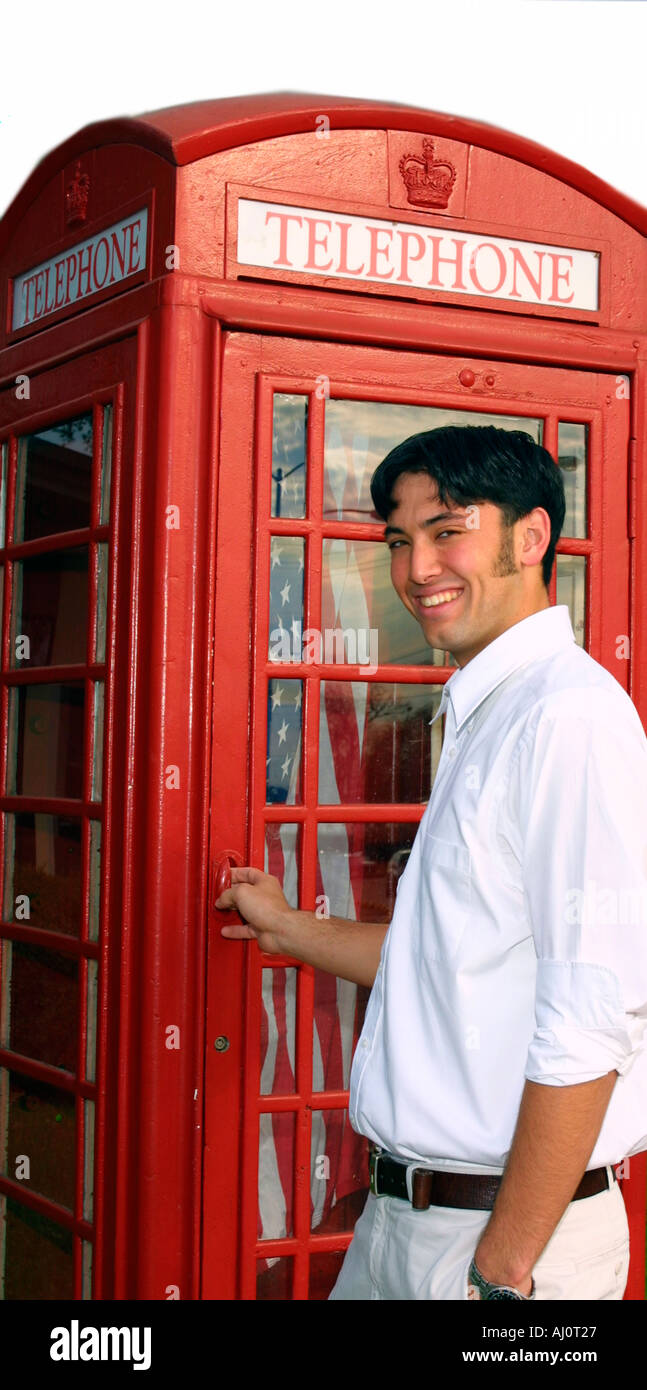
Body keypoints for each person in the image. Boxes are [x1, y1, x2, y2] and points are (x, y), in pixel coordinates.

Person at [217, 425, 647, 1300]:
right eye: (399, 541)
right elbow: (441, 958)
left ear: (530, 539)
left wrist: (504, 1267)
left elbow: (594, 1015)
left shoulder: (566, 721)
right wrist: (287, 926)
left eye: (448, 530)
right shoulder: (487, 708)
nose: (416, 570)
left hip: (505, 1244)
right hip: (402, 1222)